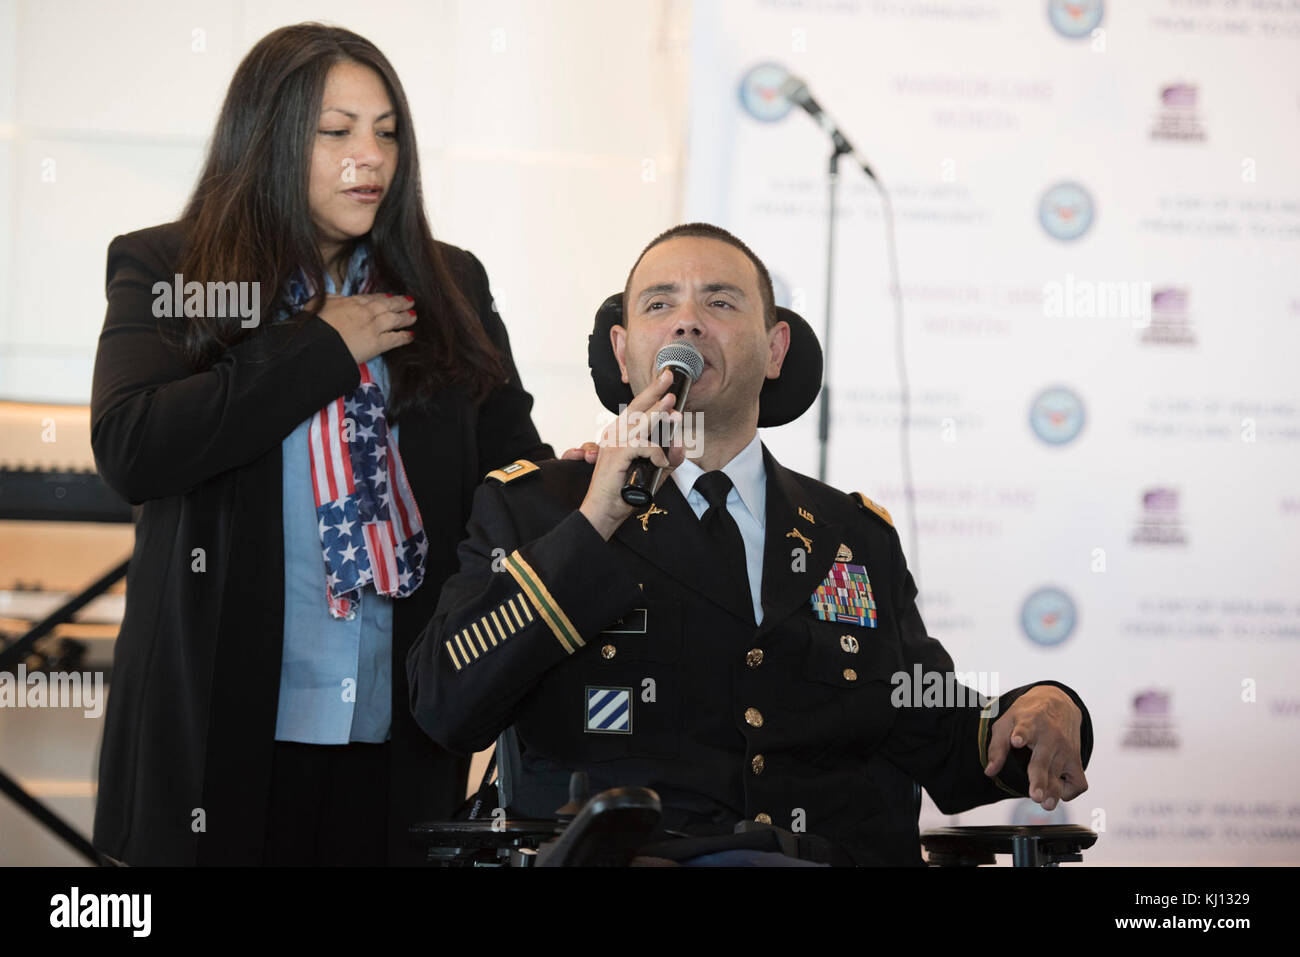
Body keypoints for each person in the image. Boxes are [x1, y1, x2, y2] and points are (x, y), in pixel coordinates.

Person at [407, 222, 1094, 866]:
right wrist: (594, 524)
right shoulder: (538, 508)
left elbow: (936, 728)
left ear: (774, 350)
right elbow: (447, 702)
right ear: (622, 352)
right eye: (658, 303)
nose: (687, 319)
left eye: (721, 301)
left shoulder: (854, 537)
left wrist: (1042, 708)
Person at [89, 23, 572, 865]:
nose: (370, 157)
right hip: (224, 728)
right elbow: (134, 445)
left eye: (387, 131)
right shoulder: (173, 268)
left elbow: (506, 465)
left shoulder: (447, 282)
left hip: (399, 728)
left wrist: (577, 484)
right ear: (269, 137)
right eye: (337, 130)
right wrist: (318, 347)